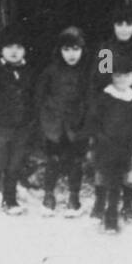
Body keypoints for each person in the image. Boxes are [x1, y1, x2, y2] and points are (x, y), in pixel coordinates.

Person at [90, 9, 132, 222]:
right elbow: (101, 80)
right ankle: (100, 201)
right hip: (110, 110)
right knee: (104, 160)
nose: (124, 29)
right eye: (119, 24)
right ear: (113, 27)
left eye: (128, 24)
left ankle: (128, 204)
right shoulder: (106, 50)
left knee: (130, 159)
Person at [0, 27, 40, 217]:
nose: (14, 51)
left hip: (21, 126)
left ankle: (10, 200)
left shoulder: (28, 71)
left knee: (14, 164)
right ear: (1, 49)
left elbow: (33, 96)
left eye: (19, 47)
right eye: (9, 46)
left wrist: (31, 120)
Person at [36, 26, 90, 215]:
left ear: (83, 50)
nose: (71, 55)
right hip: (55, 125)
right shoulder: (51, 71)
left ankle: (74, 197)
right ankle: (48, 195)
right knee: (53, 159)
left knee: (76, 161)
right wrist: (46, 120)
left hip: (77, 124)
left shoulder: (87, 71)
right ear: (59, 51)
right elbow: (40, 97)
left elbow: (93, 94)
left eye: (76, 49)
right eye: (66, 50)